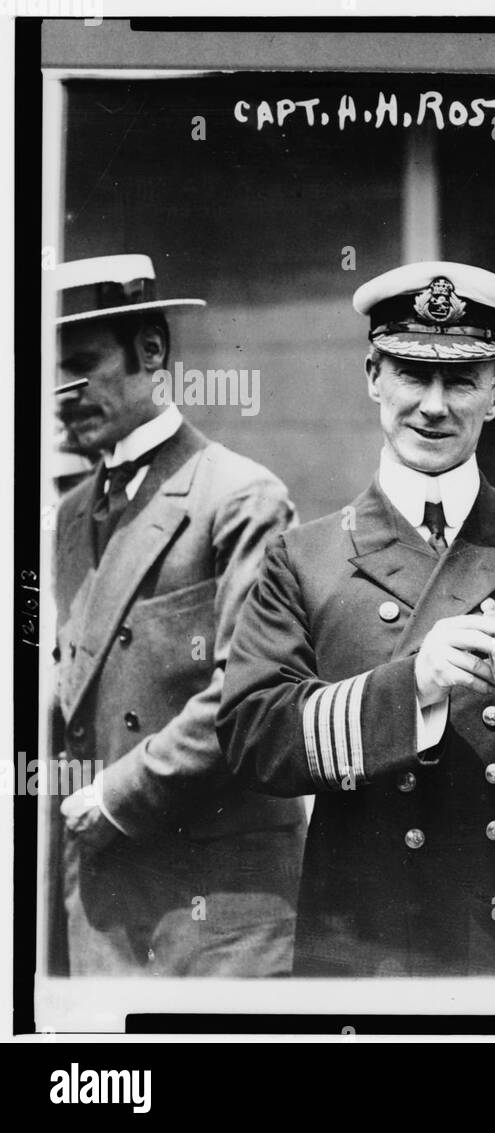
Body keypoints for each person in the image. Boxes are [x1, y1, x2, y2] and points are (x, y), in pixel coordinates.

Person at [217, 261, 495, 977]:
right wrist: (413, 689)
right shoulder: (304, 558)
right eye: (411, 373)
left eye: (462, 379)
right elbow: (253, 735)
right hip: (373, 945)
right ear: (372, 374)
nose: (433, 405)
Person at [52, 254, 305, 976]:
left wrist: (115, 793)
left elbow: (245, 699)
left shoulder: (240, 497)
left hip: (221, 911)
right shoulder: (71, 517)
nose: (61, 395)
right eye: (45, 374)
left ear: (153, 352)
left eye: (78, 367)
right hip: (103, 910)